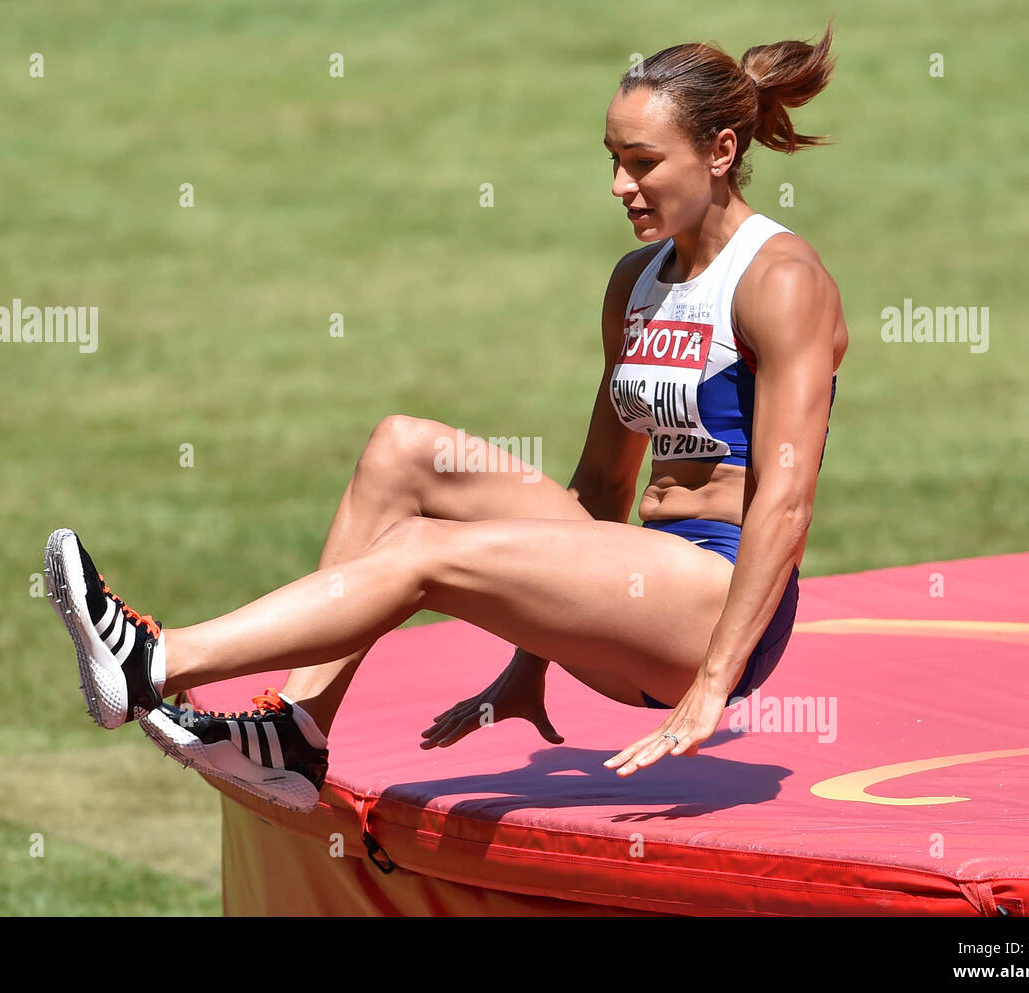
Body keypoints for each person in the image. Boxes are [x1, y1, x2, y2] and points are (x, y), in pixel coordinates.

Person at [44, 23, 848, 813]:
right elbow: (603, 485)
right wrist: (533, 661)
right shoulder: (637, 279)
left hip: (720, 609)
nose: (618, 186)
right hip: (638, 585)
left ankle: (158, 661)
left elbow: (787, 502)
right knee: (402, 448)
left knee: (426, 551)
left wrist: (711, 689)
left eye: (643, 163)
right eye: (612, 160)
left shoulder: (780, 280)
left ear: (722, 152)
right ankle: (293, 736)